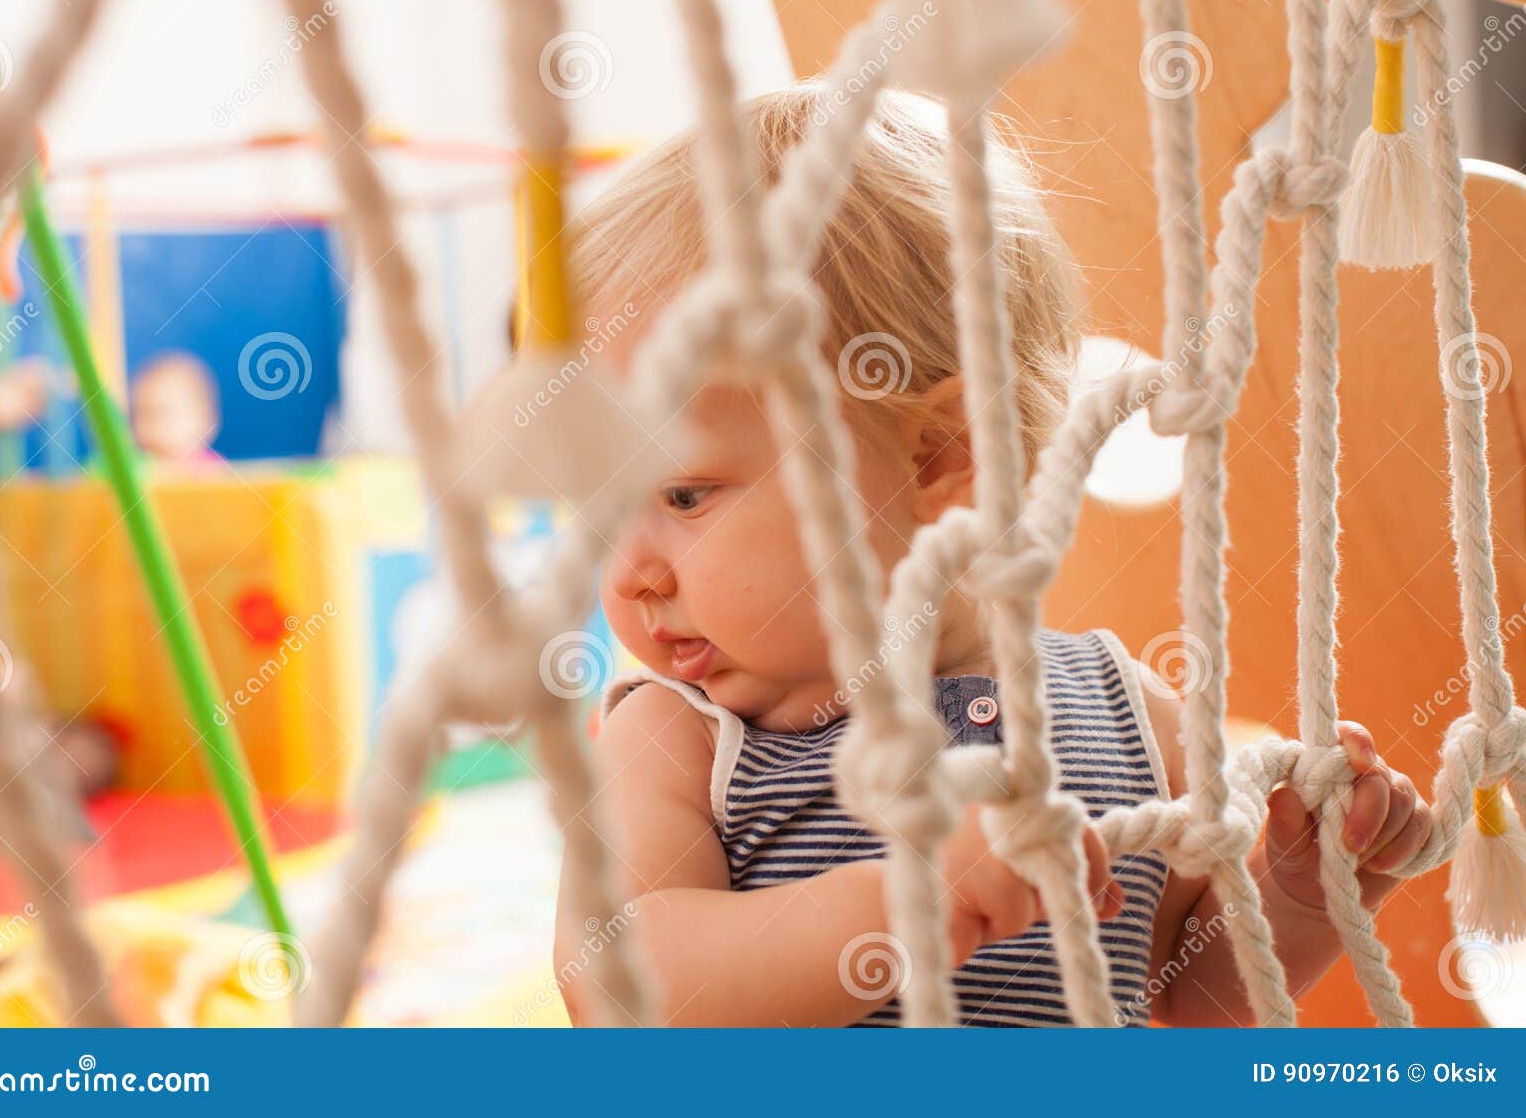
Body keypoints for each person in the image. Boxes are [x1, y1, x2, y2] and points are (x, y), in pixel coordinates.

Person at [553, 87, 1434, 1027]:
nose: (628, 572)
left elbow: (1178, 1000)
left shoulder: (1127, 710)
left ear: (940, 454)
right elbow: (620, 979)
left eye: (683, 495)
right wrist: (915, 902)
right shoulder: (679, 739)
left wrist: (1300, 898)